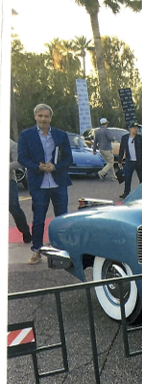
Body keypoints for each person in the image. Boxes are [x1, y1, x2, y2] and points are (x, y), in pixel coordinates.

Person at [16, 103, 73, 264]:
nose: (43, 119)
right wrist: (38, 167)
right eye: (40, 116)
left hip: (59, 183)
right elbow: (22, 158)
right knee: (39, 219)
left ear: (50, 118)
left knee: (62, 218)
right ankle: (37, 250)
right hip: (38, 184)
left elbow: (68, 159)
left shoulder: (61, 135)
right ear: (35, 117)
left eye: (46, 116)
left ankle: (63, 249)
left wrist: (56, 166)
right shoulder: (26, 135)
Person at [9, 140, 32, 243]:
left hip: (8, 179)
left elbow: (19, 162)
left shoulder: (11, 144)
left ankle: (25, 232)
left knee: (13, 206)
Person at [118, 123, 142, 199]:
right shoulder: (125, 138)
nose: (136, 130)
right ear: (130, 129)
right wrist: (119, 161)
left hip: (139, 161)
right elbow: (121, 150)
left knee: (141, 177)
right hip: (129, 161)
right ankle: (126, 192)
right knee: (127, 177)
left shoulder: (140, 138)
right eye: (134, 128)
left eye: (137, 128)